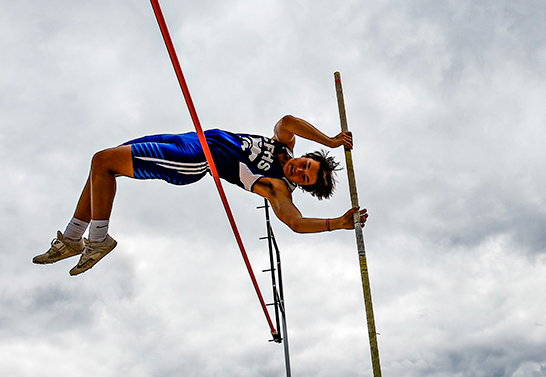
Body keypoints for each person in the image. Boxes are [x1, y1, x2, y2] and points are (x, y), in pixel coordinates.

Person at [33, 115, 367, 275]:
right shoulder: (283, 144)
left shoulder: (277, 186)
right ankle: (73, 238)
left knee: (102, 161)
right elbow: (288, 120)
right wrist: (332, 141)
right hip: (188, 138)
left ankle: (99, 239)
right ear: (306, 155)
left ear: (304, 186)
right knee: (103, 167)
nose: (300, 170)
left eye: (305, 178)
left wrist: (336, 223)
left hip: (194, 159)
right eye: (306, 164)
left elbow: (293, 222)